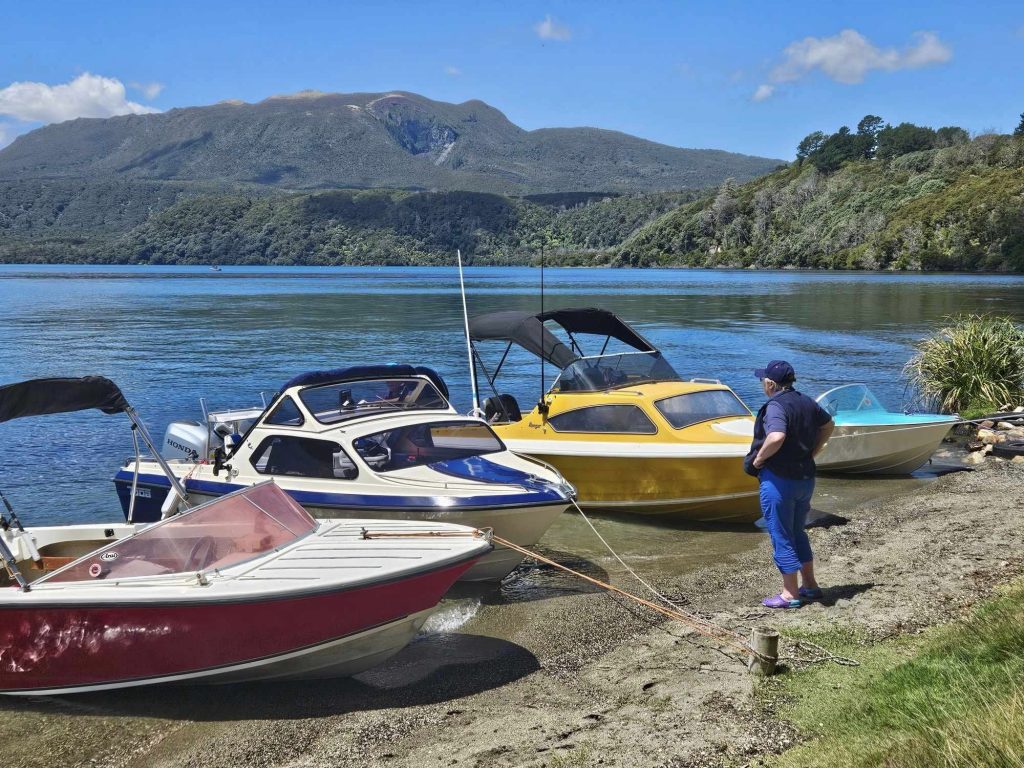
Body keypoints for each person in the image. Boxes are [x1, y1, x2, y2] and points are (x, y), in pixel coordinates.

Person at [744, 360, 834, 609]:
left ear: (771, 384)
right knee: (797, 532)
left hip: (779, 481)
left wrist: (759, 459)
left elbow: (776, 436)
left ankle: (789, 593)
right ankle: (811, 586)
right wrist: (812, 453)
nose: (762, 384)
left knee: (781, 534)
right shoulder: (806, 401)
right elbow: (828, 425)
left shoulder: (775, 406)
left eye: (763, 380)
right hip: (805, 479)